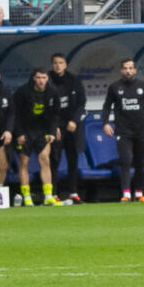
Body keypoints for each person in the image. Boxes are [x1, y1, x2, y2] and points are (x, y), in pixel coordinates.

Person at [102, 58, 144, 202]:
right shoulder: (114, 87)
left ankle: (139, 193)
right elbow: (106, 106)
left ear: (135, 70)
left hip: (141, 130)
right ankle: (126, 194)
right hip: (123, 131)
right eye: (125, 68)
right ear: (121, 70)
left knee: (139, 162)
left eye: (131, 68)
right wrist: (105, 123)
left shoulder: (143, 86)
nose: (128, 71)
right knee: (125, 160)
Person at [10, 69, 59, 206]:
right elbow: (15, 114)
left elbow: (55, 115)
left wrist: (52, 132)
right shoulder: (23, 92)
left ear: (47, 78)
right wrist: (18, 133)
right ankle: (26, 196)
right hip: (25, 131)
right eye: (38, 77)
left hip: (42, 130)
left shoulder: (52, 92)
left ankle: (48, 195)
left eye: (44, 77)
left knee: (45, 159)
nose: (41, 80)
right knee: (24, 161)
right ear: (33, 78)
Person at [47, 53, 85, 204]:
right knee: (54, 160)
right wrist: (53, 126)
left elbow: (82, 103)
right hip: (55, 126)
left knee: (73, 160)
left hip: (72, 126)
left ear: (66, 64)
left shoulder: (74, 80)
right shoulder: (47, 80)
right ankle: (54, 194)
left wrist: (74, 121)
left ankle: (73, 192)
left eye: (61, 63)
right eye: (55, 63)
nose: (58, 66)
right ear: (52, 65)